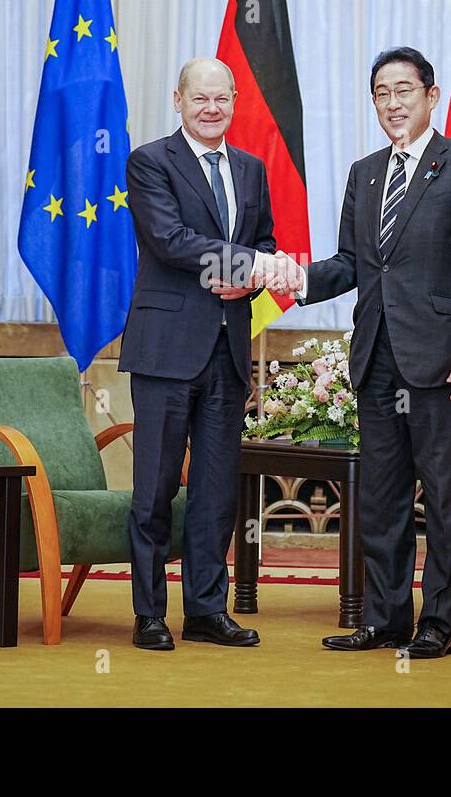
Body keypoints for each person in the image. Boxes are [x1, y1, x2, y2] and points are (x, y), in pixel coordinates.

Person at [253, 46, 451, 658]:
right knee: (382, 497)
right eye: (382, 95)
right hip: (376, 357)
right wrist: (299, 280)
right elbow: (352, 264)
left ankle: (440, 625)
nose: (393, 104)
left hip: (443, 359)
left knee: (445, 496)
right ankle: (387, 619)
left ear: (431, 95)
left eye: (404, 91)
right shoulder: (365, 173)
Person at [118, 57, 286, 651]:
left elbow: (263, 241)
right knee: (155, 490)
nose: (211, 108)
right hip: (166, 349)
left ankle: (207, 612)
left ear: (235, 100)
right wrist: (242, 266)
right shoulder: (150, 162)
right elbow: (168, 240)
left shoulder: (251, 168)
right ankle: (149, 615)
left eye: (222, 98)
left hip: (227, 351)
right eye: (200, 99)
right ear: (178, 99)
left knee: (216, 492)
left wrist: (252, 278)